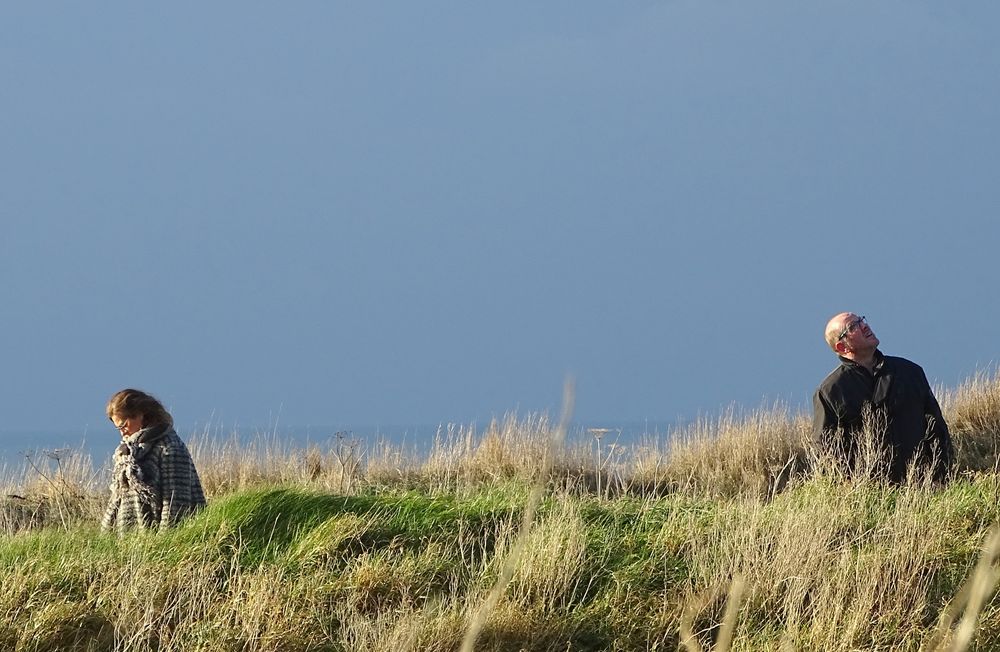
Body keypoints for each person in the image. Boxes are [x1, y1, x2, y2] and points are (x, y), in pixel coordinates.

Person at [813, 313, 953, 483]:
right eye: (852, 327)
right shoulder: (831, 390)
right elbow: (826, 447)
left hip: (921, 483)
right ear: (842, 347)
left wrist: (941, 474)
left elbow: (937, 427)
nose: (864, 326)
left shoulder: (910, 371)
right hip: (868, 491)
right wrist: (853, 485)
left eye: (861, 320)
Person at [101, 389, 206, 533]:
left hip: (158, 541)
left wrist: (165, 545)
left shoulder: (169, 447)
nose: (122, 432)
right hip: (130, 541)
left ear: (141, 414)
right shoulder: (129, 452)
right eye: (117, 427)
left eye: (124, 424)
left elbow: (176, 503)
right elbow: (117, 498)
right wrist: (106, 534)